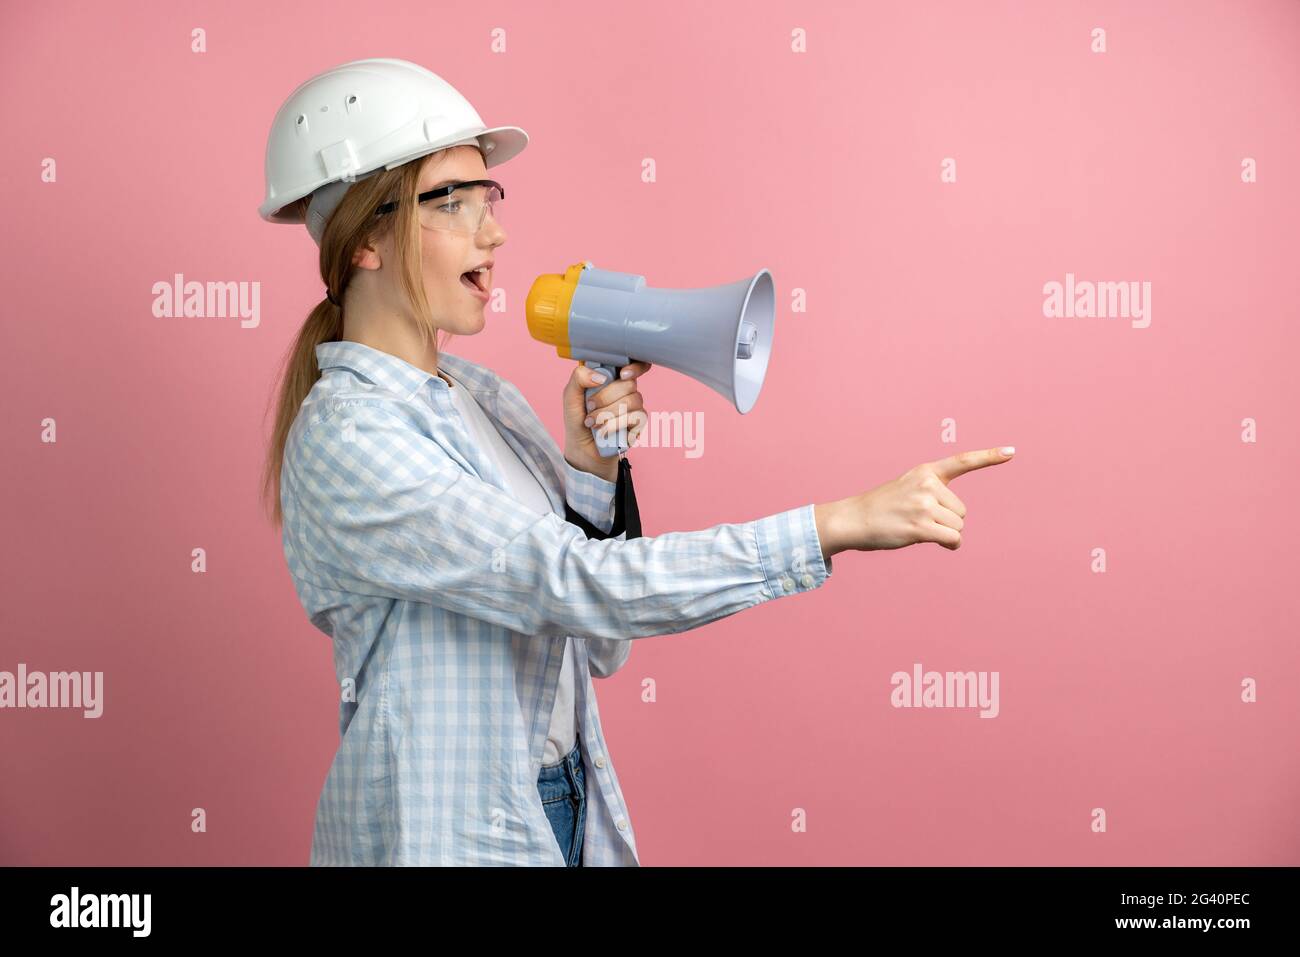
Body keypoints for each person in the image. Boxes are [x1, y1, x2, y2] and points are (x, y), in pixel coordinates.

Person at [258, 58, 1016, 867]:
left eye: (491, 197)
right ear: (366, 238)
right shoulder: (348, 436)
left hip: (561, 802)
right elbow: (575, 582)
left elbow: (596, 639)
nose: (495, 232)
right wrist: (836, 524)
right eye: (454, 201)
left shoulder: (483, 398)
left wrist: (588, 474)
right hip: (443, 828)